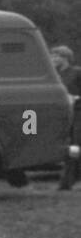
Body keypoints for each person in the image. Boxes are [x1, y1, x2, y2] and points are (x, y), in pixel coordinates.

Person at [51, 45, 81, 190]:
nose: (53, 58)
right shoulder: (54, 75)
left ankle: (66, 182)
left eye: (56, 56)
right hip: (61, 117)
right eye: (53, 55)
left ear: (65, 58)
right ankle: (67, 182)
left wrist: (76, 97)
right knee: (68, 148)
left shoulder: (77, 72)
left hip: (77, 114)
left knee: (75, 146)